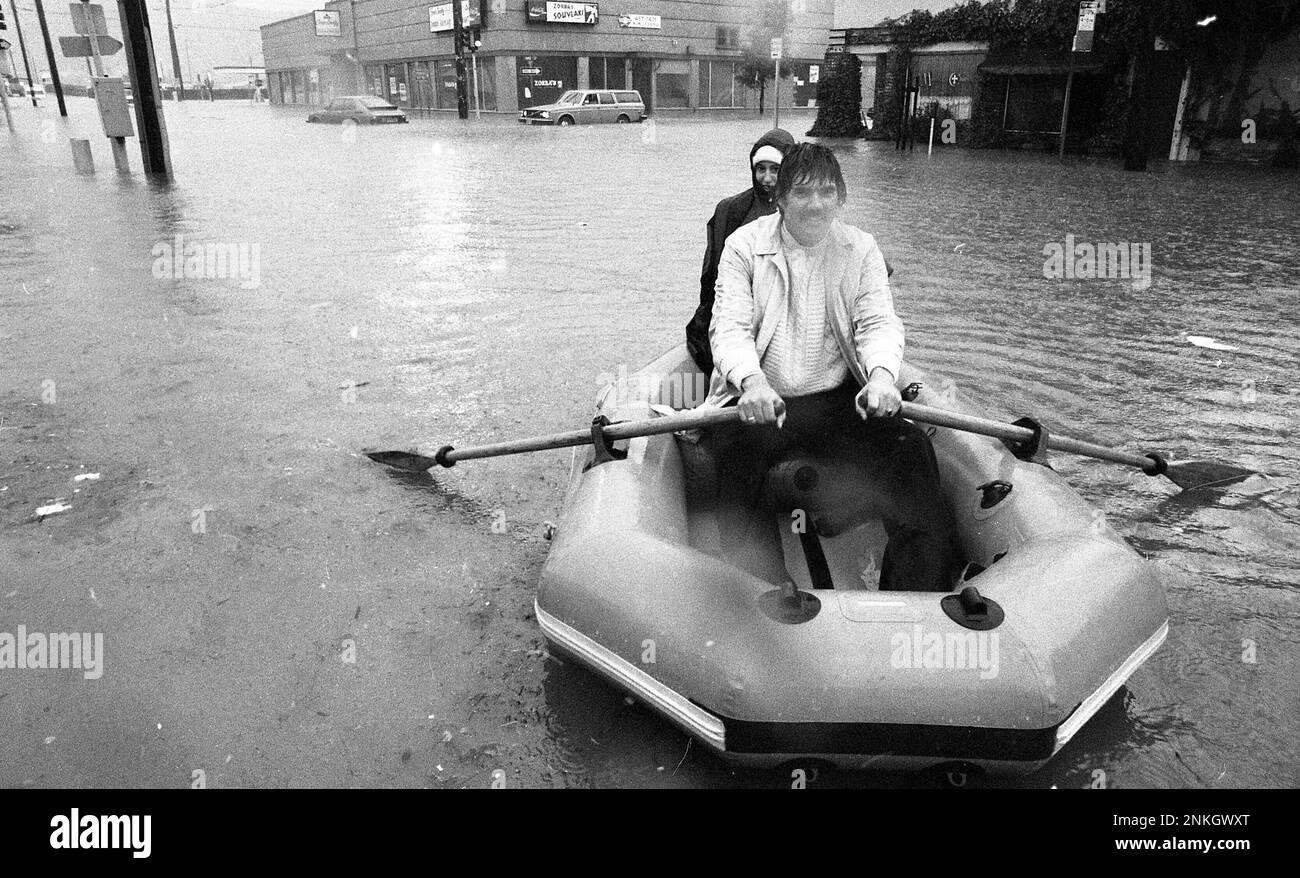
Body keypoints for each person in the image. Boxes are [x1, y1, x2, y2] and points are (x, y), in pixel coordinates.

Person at [698, 143, 960, 592]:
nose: (815, 204)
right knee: (736, 460)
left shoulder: (861, 249)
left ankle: (910, 595)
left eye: (826, 192)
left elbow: (878, 322)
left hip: (838, 402)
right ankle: (766, 593)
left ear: (841, 198)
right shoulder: (742, 247)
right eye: (801, 192)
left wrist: (880, 377)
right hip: (764, 403)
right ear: (779, 198)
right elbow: (728, 328)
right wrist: (752, 382)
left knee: (910, 449)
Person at [685, 128, 797, 375]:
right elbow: (711, 276)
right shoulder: (731, 210)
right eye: (761, 169)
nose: (766, 178)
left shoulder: (805, 209)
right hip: (740, 308)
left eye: (775, 170)